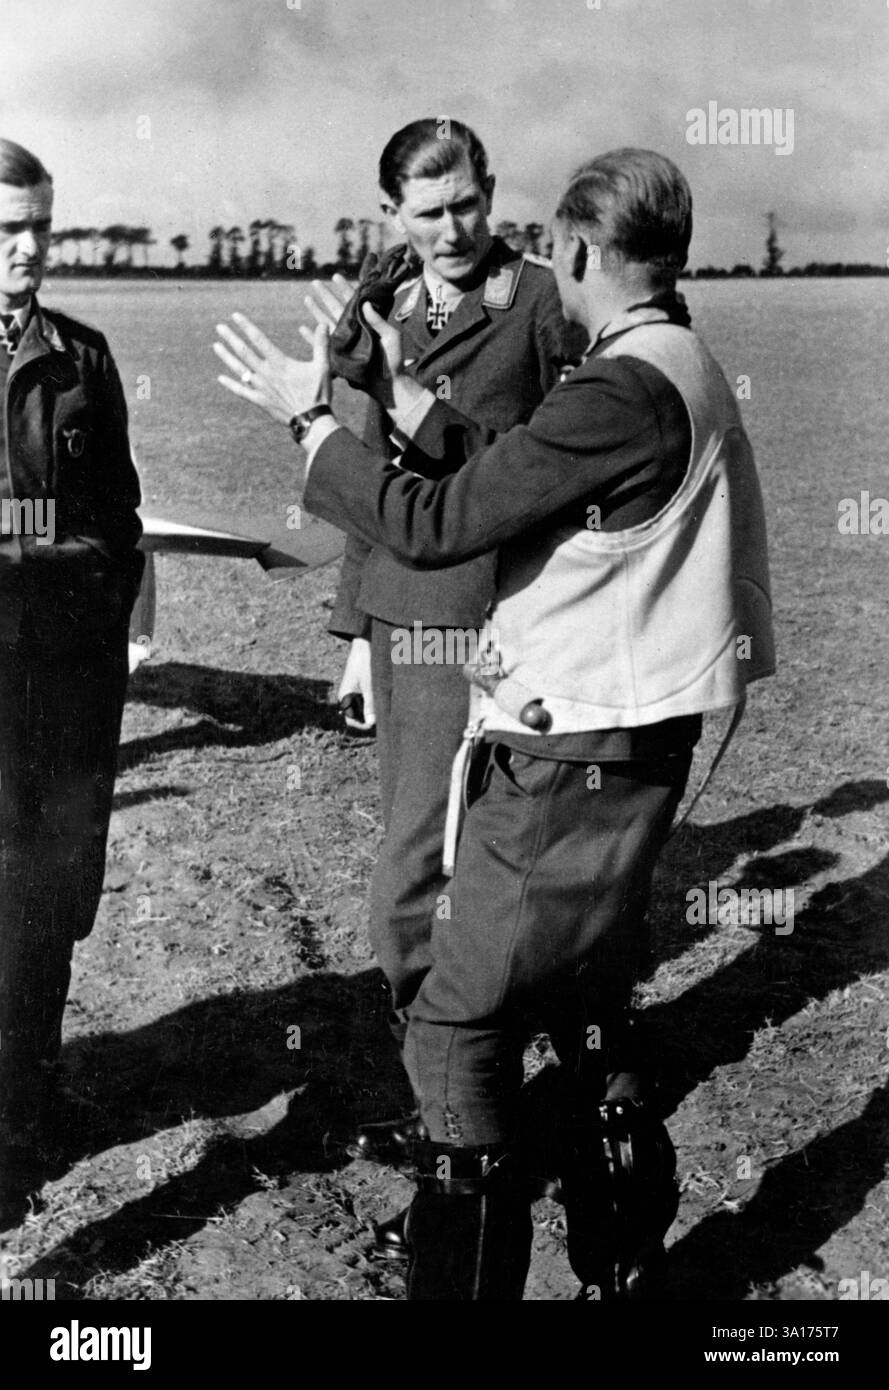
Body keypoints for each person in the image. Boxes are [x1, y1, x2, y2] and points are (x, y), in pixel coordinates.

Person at [214, 146, 775, 1299]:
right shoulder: (669, 359)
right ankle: (618, 1255)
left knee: (462, 1024)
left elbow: (440, 523)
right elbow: (525, 471)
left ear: (575, 250)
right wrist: (401, 394)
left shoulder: (619, 381)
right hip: (628, 741)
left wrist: (312, 421)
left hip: (571, 752)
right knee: (577, 994)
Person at [308, 120, 583, 1213]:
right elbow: (361, 477)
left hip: (521, 616)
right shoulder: (372, 313)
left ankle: (506, 1080)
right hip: (413, 623)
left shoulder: (542, 303)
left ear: (491, 193)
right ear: (393, 215)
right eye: (428, 211)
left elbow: (575, 453)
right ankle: (442, 1092)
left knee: (520, 860)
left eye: (467, 202)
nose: (454, 227)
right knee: (410, 865)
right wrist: (356, 639)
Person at [0, 139, 144, 1227]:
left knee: (52, 893)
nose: (28, 252)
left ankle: (29, 1101)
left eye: (41, 228)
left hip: (60, 678)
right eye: (7, 230)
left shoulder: (82, 360)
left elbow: (121, 527)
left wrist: (47, 558)